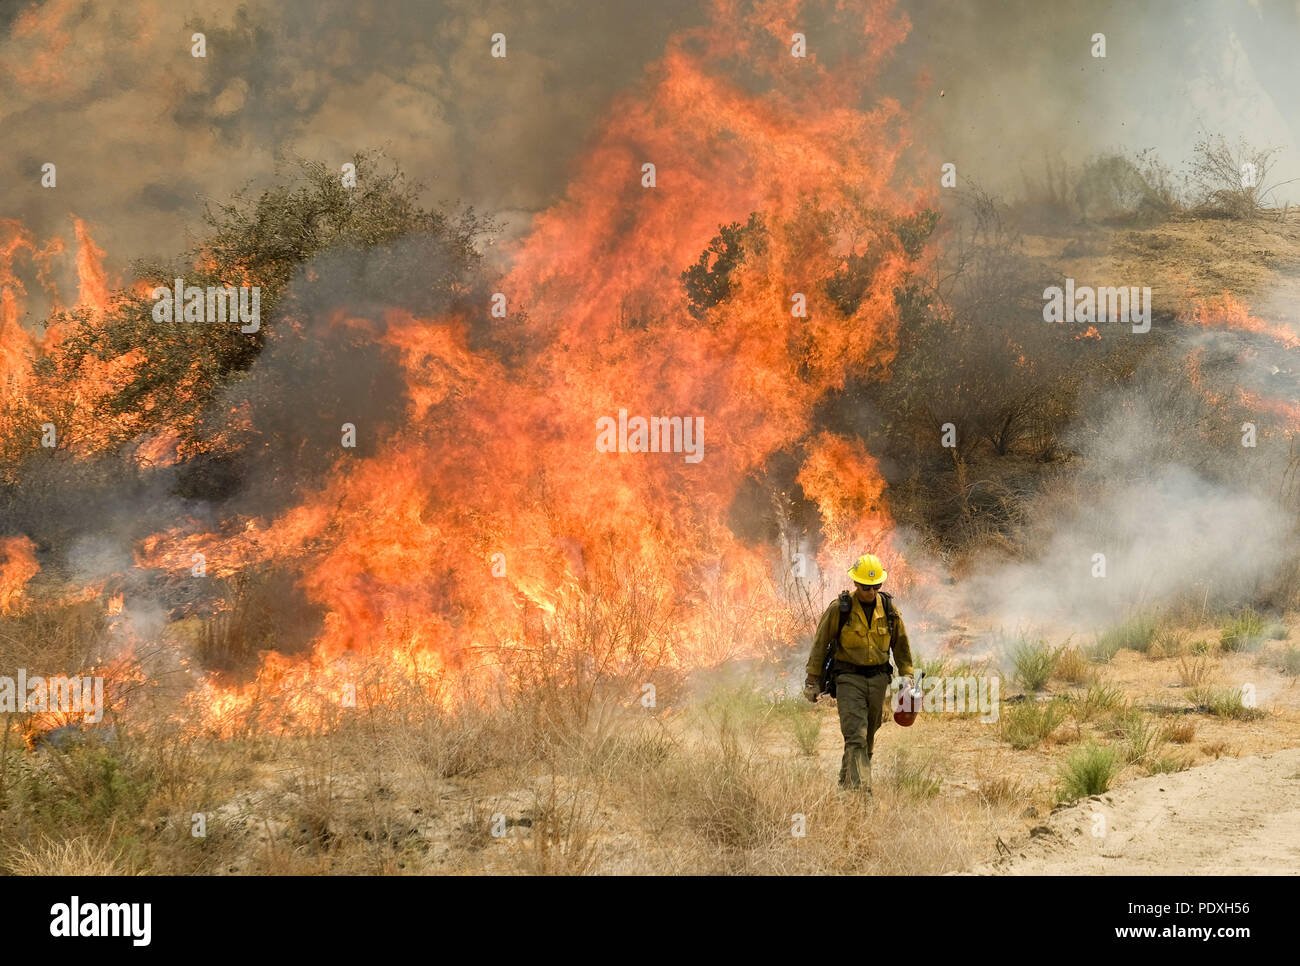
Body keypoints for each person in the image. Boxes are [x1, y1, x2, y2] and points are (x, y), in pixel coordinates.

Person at [803, 553, 914, 790]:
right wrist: (812, 680)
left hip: (878, 681)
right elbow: (820, 644)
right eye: (866, 587)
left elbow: (901, 645)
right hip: (848, 680)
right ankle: (862, 795)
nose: (871, 592)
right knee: (855, 737)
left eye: (876, 586)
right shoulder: (840, 609)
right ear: (855, 583)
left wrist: (907, 677)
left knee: (868, 739)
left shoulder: (888, 608)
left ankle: (846, 785)